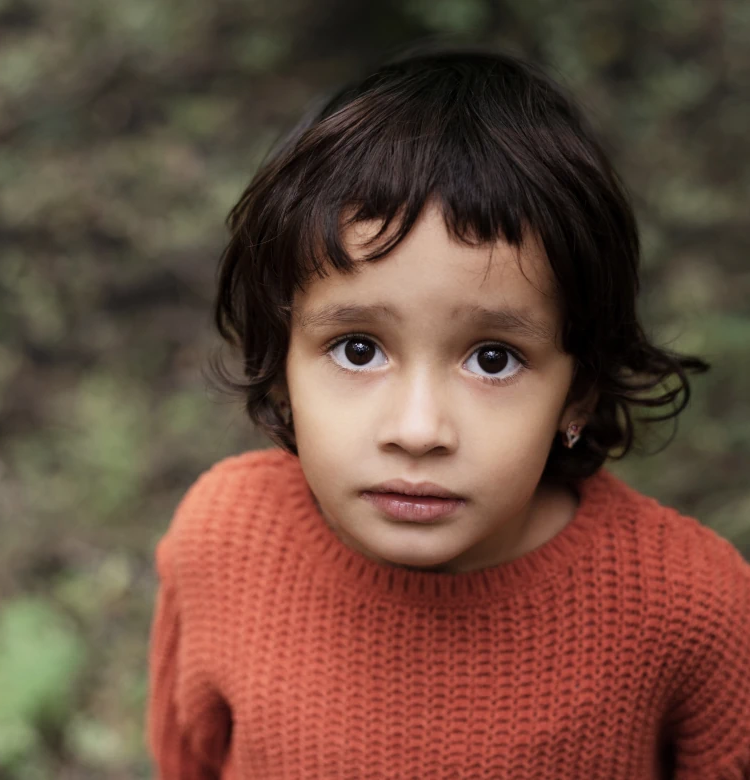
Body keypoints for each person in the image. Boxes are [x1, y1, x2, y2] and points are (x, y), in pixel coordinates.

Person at [145, 44, 750, 779]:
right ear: (281, 371)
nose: (418, 430)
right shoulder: (224, 543)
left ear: (579, 389)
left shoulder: (692, 611)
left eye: (492, 358)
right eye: (358, 349)